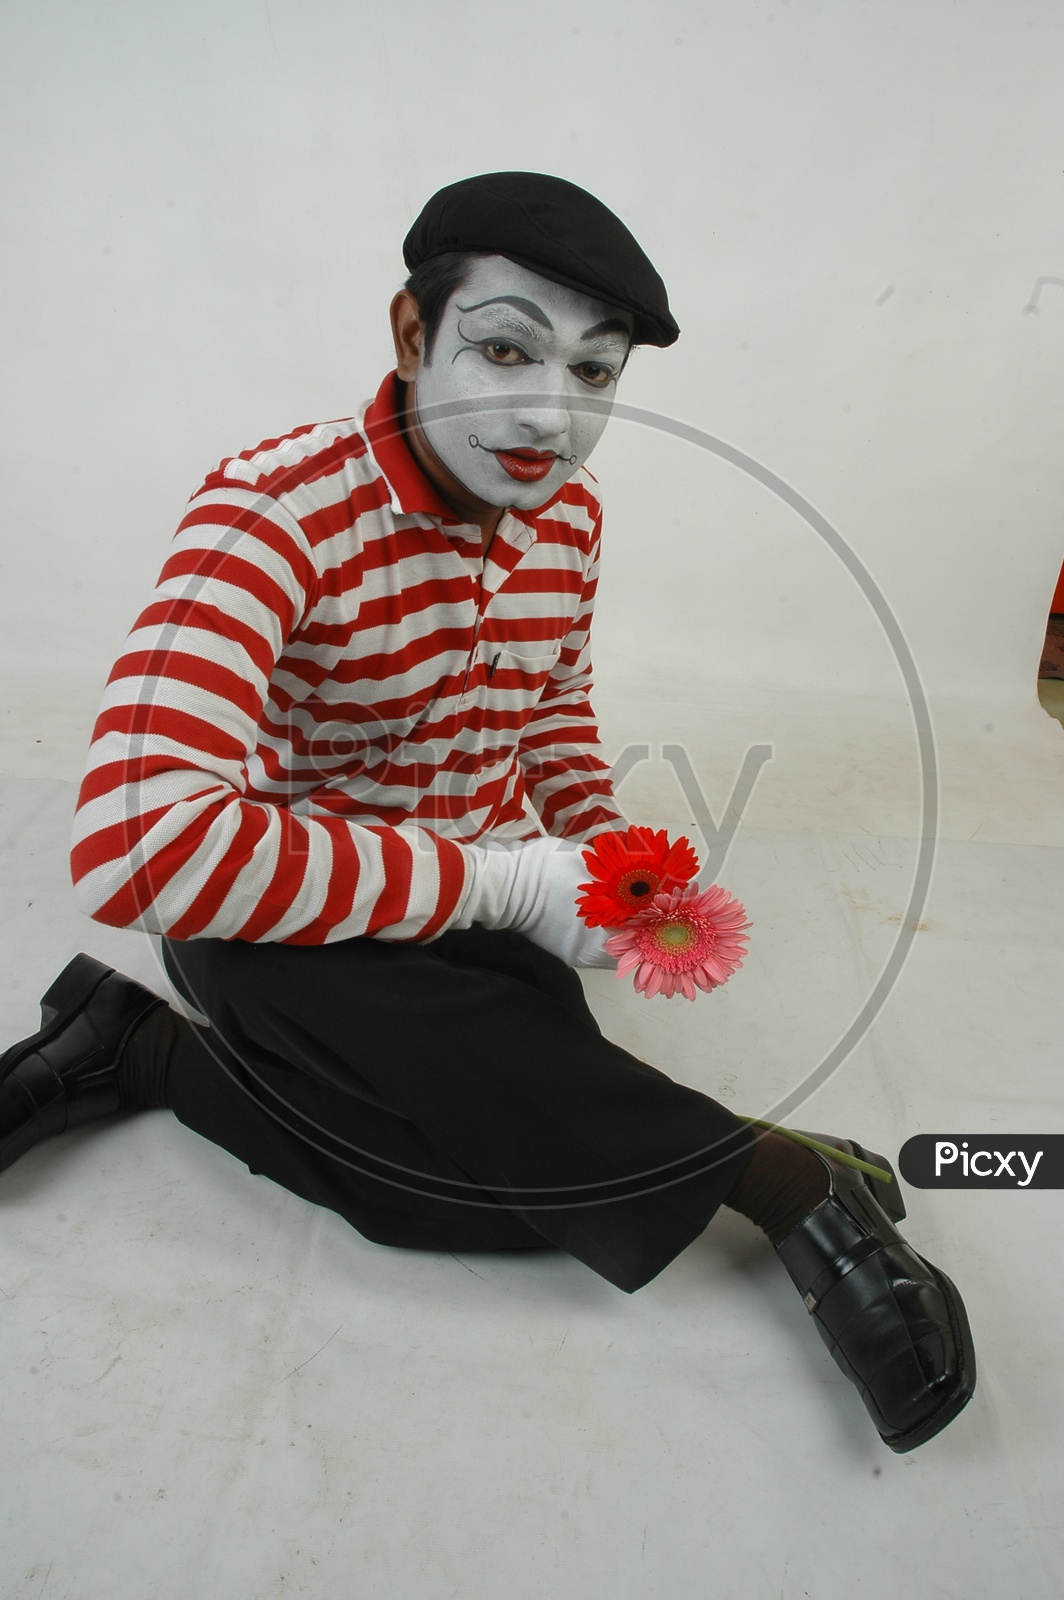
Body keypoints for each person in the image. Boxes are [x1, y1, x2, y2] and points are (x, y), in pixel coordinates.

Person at [0, 172, 974, 1452]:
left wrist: (617, 866)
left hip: (452, 930)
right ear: (412, 336)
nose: (546, 415)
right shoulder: (266, 512)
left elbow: (553, 710)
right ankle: (781, 1181)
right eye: (505, 347)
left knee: (466, 1194)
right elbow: (140, 842)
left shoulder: (564, 519)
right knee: (522, 1125)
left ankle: (136, 1051)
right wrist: (511, 885)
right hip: (276, 926)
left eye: (594, 375)